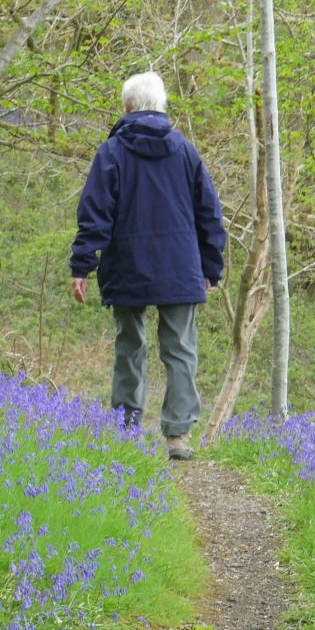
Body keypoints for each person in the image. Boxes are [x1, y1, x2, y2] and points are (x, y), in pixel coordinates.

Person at [69, 71, 226, 461]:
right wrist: (211, 265)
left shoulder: (112, 153)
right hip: (180, 265)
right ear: (161, 106)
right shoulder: (185, 151)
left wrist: (82, 266)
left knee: (129, 345)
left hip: (127, 264)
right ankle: (178, 436)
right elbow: (209, 213)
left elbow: (94, 214)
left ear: (127, 107)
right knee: (181, 350)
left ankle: (126, 428)